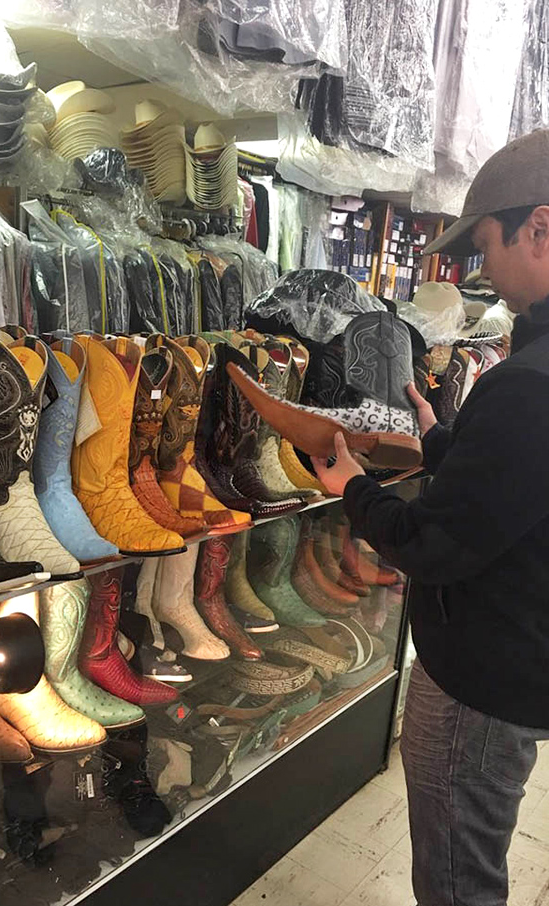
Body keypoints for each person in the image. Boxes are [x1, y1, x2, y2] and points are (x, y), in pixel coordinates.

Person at [312, 127, 549, 906]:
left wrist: (351, 484)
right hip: (523, 658)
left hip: (482, 678)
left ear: (539, 228)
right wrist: (443, 438)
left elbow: (438, 544)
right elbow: (517, 494)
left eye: (485, 243)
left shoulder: (527, 384)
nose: (479, 269)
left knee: (455, 878)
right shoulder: (528, 378)